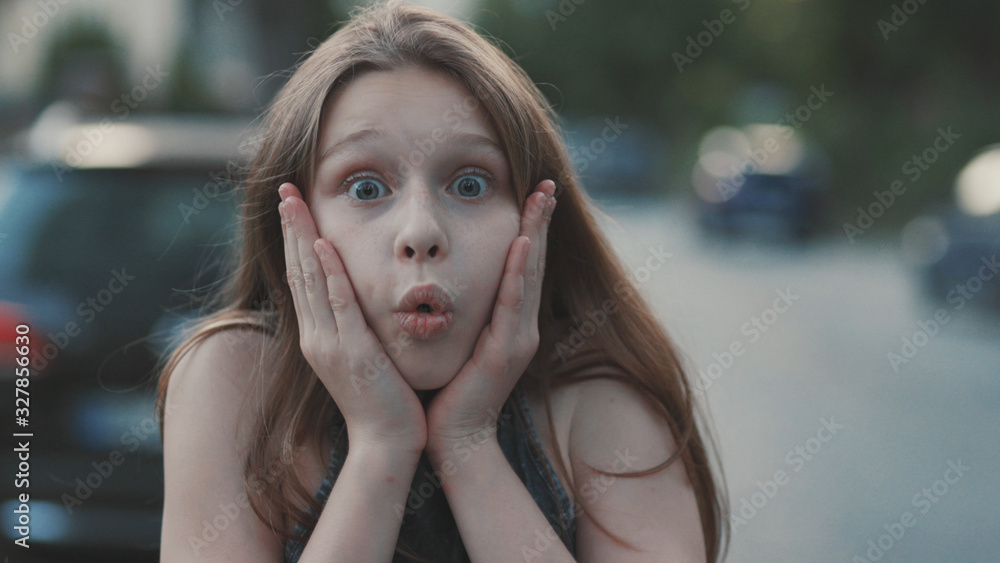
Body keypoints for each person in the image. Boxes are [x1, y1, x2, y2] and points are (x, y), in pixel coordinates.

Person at [156, 1, 728, 561]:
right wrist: (381, 444)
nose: (421, 231)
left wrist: (468, 445)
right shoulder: (235, 381)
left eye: (471, 184)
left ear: (536, 216)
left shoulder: (599, 403)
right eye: (365, 188)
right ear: (295, 226)